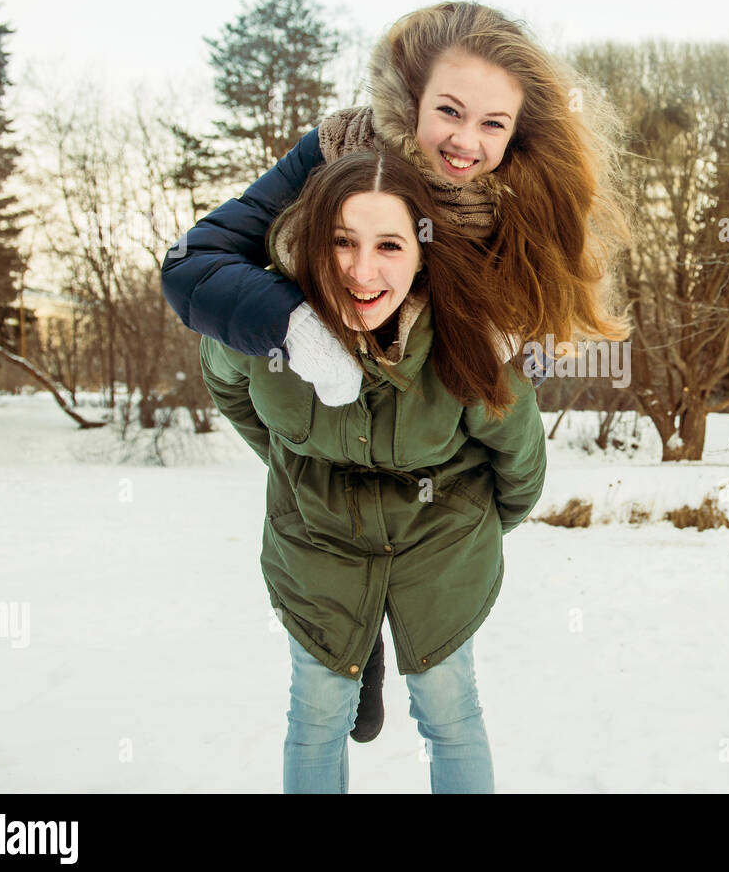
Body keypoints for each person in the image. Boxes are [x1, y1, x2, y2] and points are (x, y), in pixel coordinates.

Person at [163, 0, 631, 742]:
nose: (465, 142)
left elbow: (532, 361)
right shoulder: (335, 153)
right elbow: (193, 267)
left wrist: (502, 324)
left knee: (448, 702)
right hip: (322, 420)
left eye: (492, 125)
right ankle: (357, 638)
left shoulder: (518, 197)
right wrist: (299, 329)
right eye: (449, 110)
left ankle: (391, 620)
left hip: (428, 461)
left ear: (516, 133)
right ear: (410, 98)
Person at [199, 147, 547, 793]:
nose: (362, 270)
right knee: (317, 712)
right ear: (310, 243)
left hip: (439, 538)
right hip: (316, 539)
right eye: (341, 241)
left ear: (421, 253)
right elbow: (229, 389)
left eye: (389, 244)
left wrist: (479, 529)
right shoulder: (262, 327)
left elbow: (519, 460)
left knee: (449, 711)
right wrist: (290, 467)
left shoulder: (470, 338)